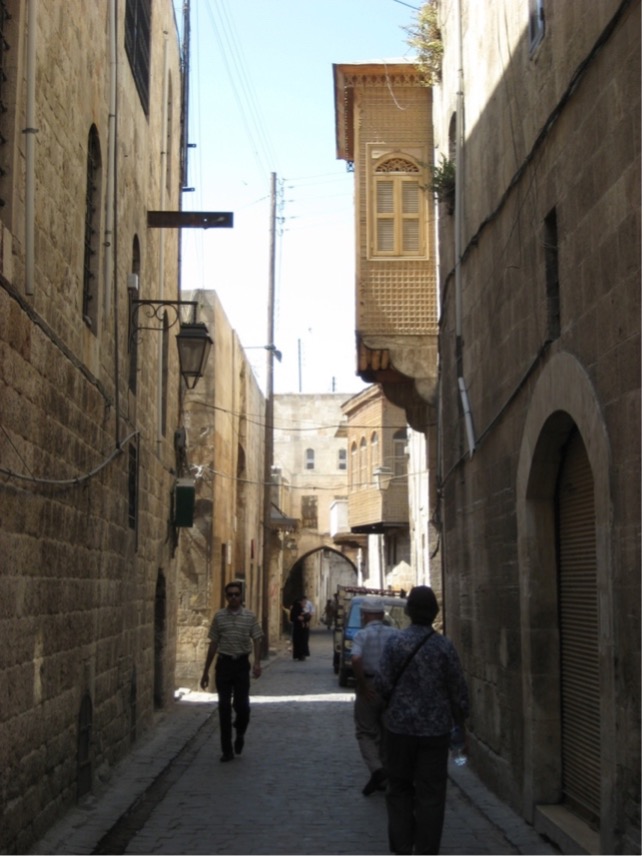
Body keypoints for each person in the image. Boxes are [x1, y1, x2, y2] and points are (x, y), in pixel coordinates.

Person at [375, 586, 469, 855]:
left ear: (408, 611)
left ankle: (402, 848)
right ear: (434, 613)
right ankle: (427, 850)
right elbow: (458, 692)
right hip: (434, 732)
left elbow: (382, 684)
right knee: (431, 793)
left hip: (399, 730)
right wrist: (461, 726)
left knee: (399, 788)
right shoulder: (444, 647)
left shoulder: (395, 643)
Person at [200, 581, 264, 762]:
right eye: (230, 595)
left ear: (241, 596)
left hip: (241, 665)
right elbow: (213, 643)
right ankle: (226, 750)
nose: (234, 597)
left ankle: (240, 731)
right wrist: (205, 672)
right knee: (224, 707)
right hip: (224, 665)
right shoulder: (219, 617)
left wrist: (257, 663)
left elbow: (257, 638)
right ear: (226, 597)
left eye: (236, 594)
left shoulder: (249, 616)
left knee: (242, 707)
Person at [351, 597, 399, 796]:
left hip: (369, 685)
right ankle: (384, 774)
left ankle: (377, 770)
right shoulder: (395, 634)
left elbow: (356, 658)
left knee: (365, 731)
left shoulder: (362, 635)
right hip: (390, 687)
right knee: (387, 731)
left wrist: (362, 685)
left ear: (365, 615)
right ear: (381, 614)